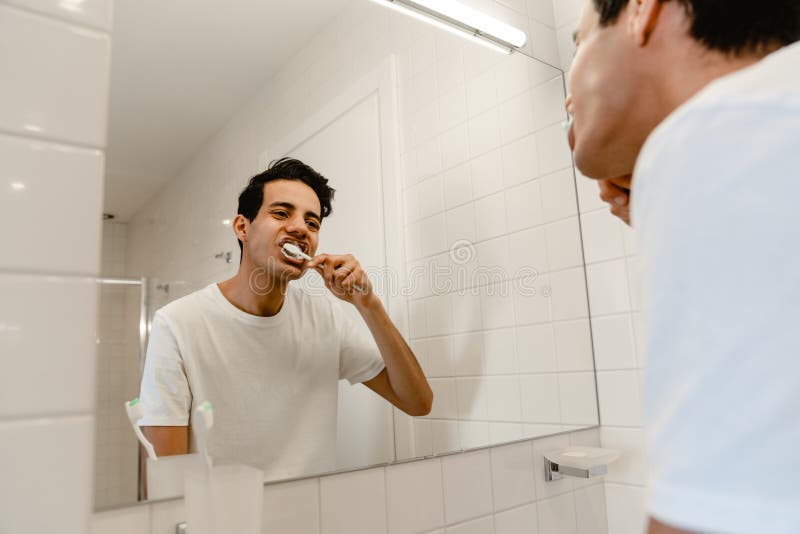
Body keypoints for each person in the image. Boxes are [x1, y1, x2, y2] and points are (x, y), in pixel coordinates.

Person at [566, 1, 800, 533]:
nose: (567, 96)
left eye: (578, 43)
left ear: (641, 11)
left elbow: (717, 522)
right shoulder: (772, 108)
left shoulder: (719, 129)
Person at [137, 157, 432, 483]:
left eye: (312, 223)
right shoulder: (177, 324)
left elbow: (417, 402)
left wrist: (368, 304)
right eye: (281, 213)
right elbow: (167, 484)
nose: (300, 228)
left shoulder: (326, 318)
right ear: (242, 227)